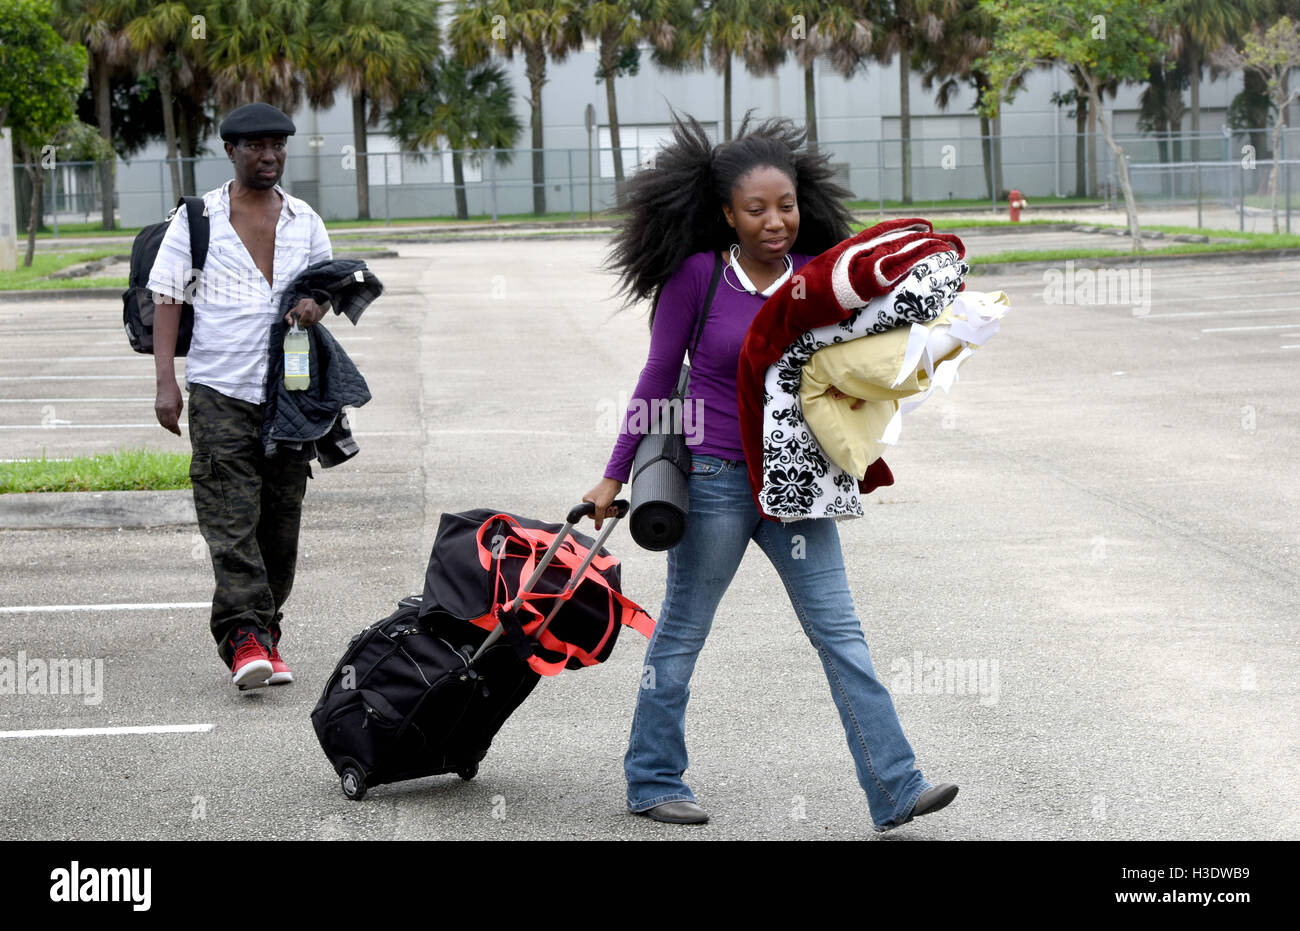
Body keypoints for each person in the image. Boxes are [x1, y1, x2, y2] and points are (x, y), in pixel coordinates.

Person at [581, 113, 958, 831]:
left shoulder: (820, 281)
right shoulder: (698, 277)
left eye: (784, 205)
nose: (774, 220)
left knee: (841, 634)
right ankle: (654, 779)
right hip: (717, 478)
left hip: (797, 486)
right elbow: (658, 377)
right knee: (683, 632)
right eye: (755, 209)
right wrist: (612, 475)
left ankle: (897, 786)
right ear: (727, 213)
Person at [148, 102, 334, 692]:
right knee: (230, 520)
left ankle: (265, 632)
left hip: (290, 395)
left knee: (280, 524)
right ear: (231, 151)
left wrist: (315, 305)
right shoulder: (198, 218)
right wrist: (165, 383)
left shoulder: (305, 219)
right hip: (218, 390)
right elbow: (169, 297)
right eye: (255, 145)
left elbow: (325, 286)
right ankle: (244, 638)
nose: (269, 154)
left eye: (277, 144)